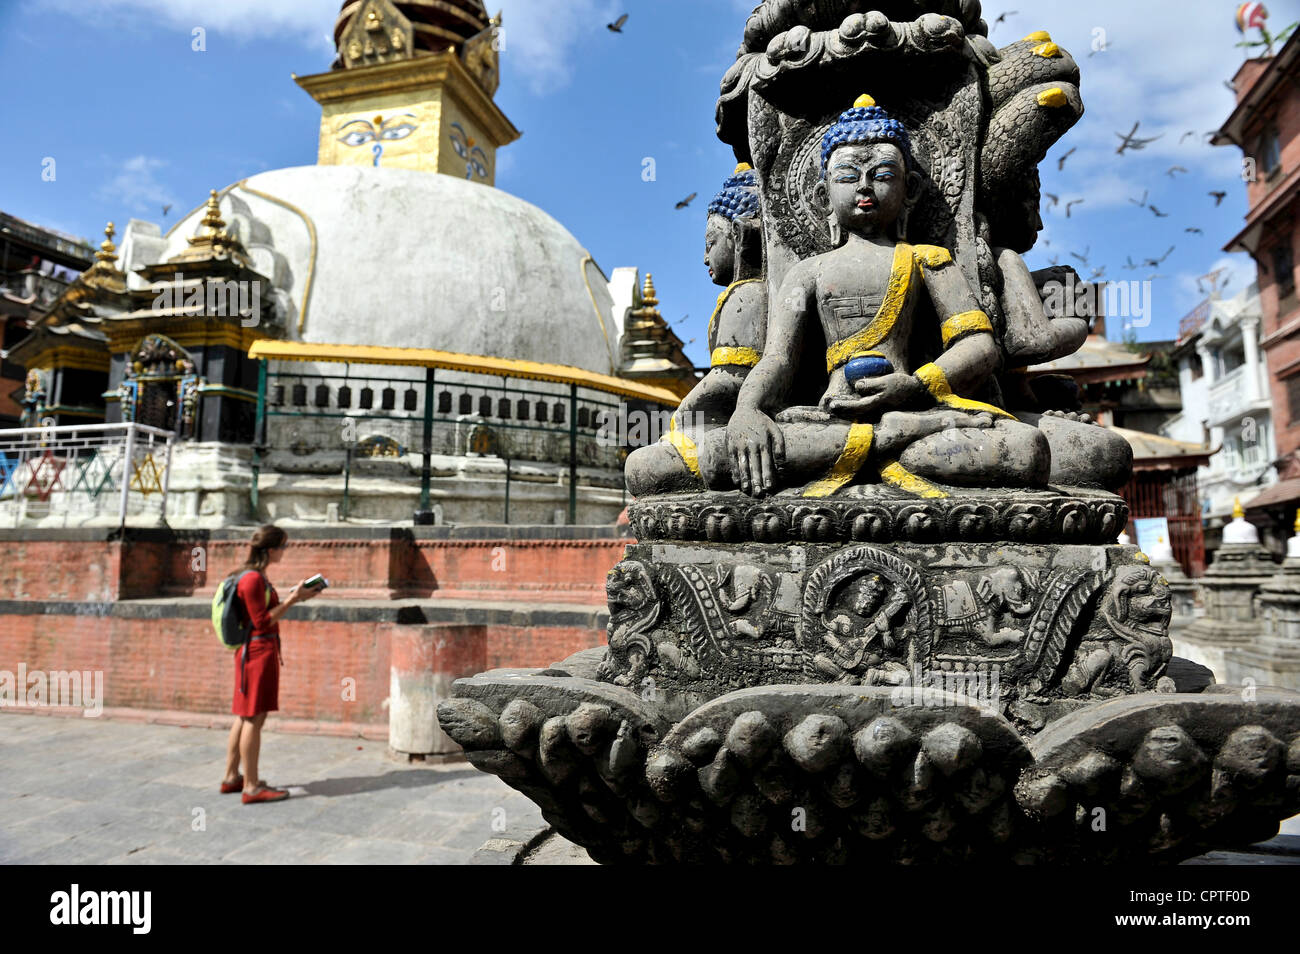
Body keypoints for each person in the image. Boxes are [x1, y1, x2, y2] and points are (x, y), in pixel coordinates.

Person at [220, 525, 322, 804]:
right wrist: (294, 599)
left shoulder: (252, 576)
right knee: (254, 717)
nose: (285, 552)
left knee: (244, 715)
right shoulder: (252, 579)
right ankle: (251, 787)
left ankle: (232, 777)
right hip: (257, 652)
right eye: (283, 546)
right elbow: (262, 620)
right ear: (270, 549)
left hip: (255, 651)